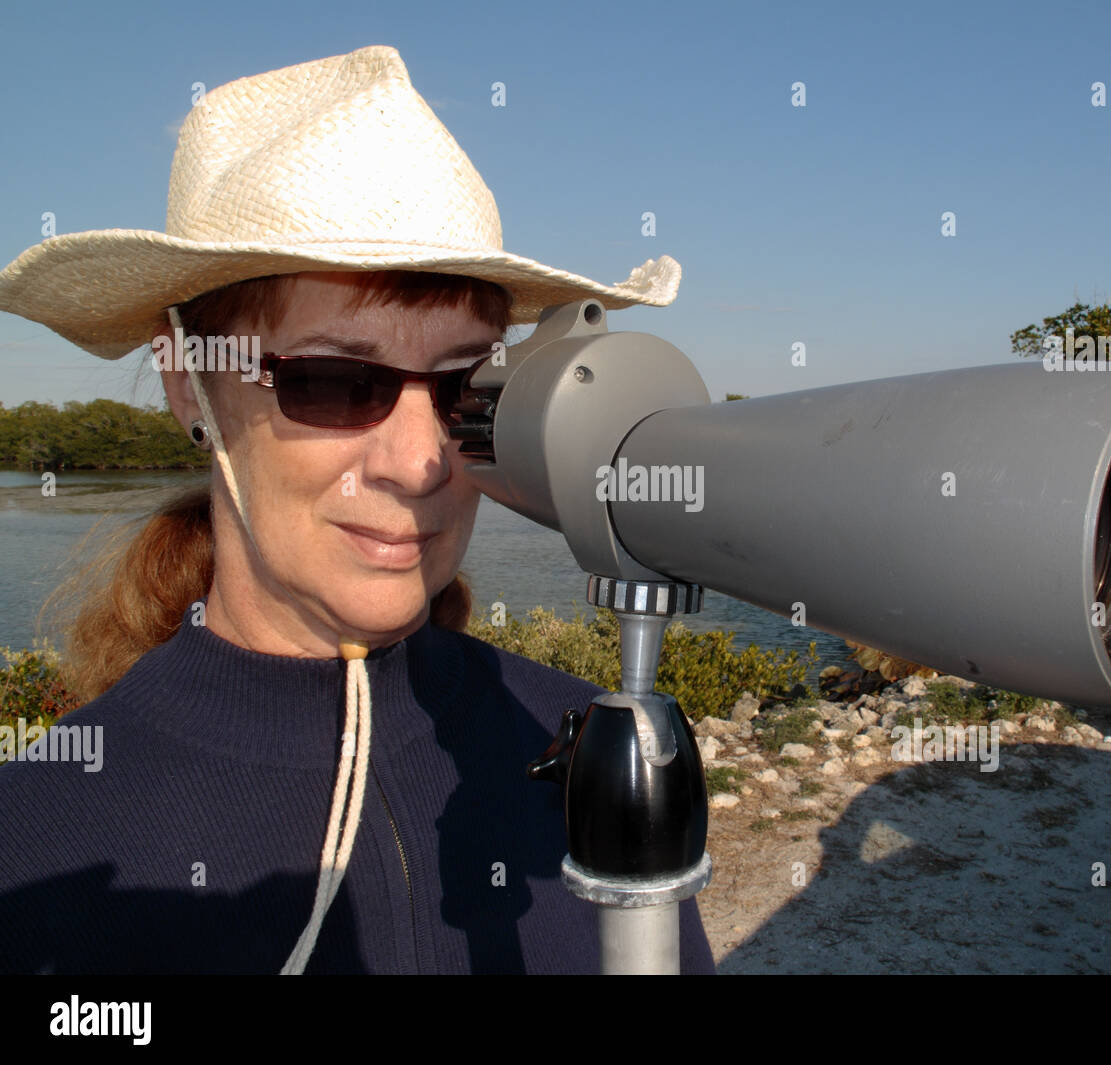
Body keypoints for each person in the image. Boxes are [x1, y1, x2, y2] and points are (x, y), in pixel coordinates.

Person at [0, 45, 714, 974]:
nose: (422, 460)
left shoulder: (586, 748)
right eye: (336, 381)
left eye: (468, 388)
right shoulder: (40, 845)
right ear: (190, 386)